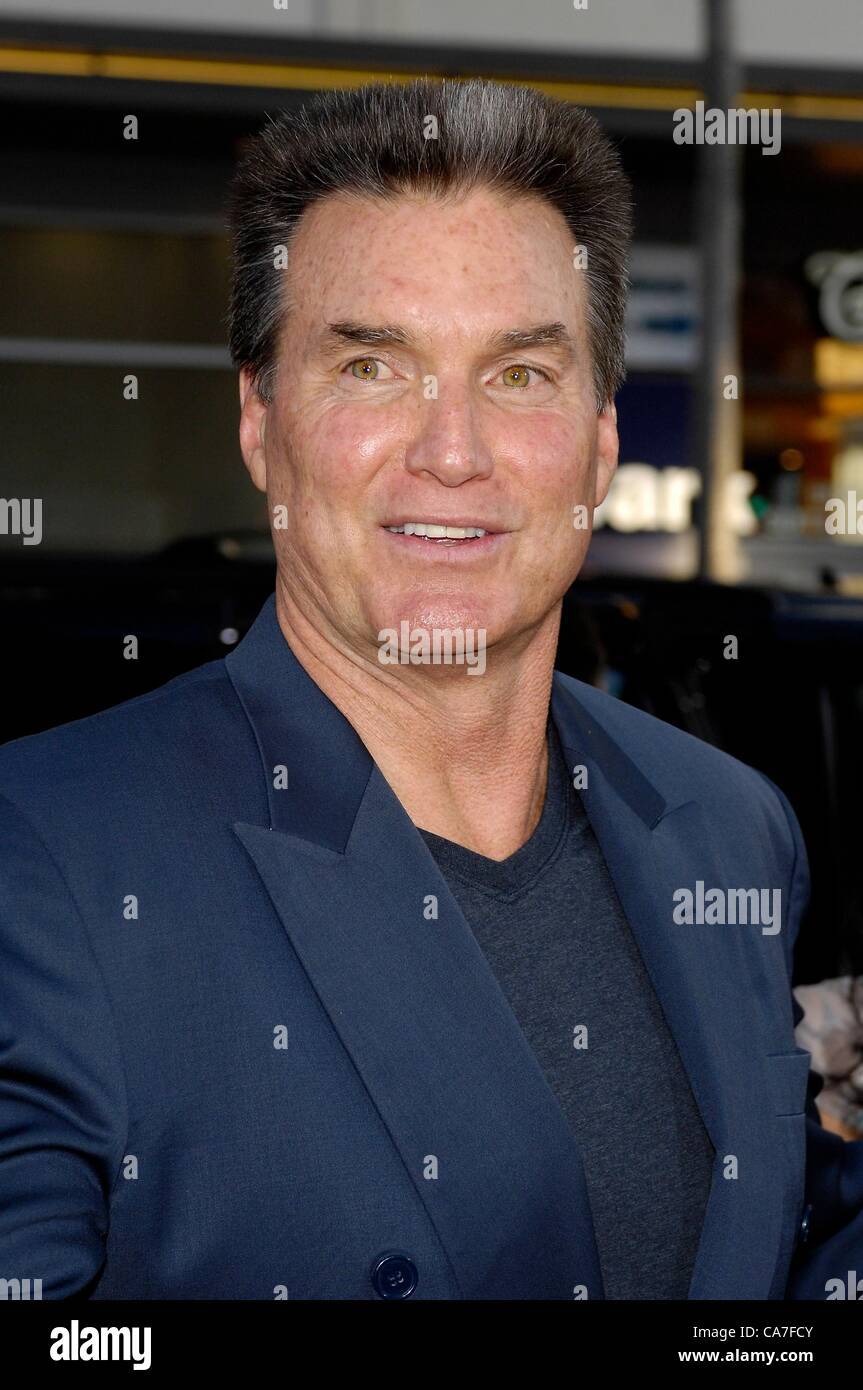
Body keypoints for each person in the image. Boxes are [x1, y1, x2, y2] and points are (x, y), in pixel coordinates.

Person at [1, 77, 861, 1301]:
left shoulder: (726, 823)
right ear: (260, 422)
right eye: (371, 366)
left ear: (600, 443)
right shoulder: (43, 865)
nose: (450, 450)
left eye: (518, 375)